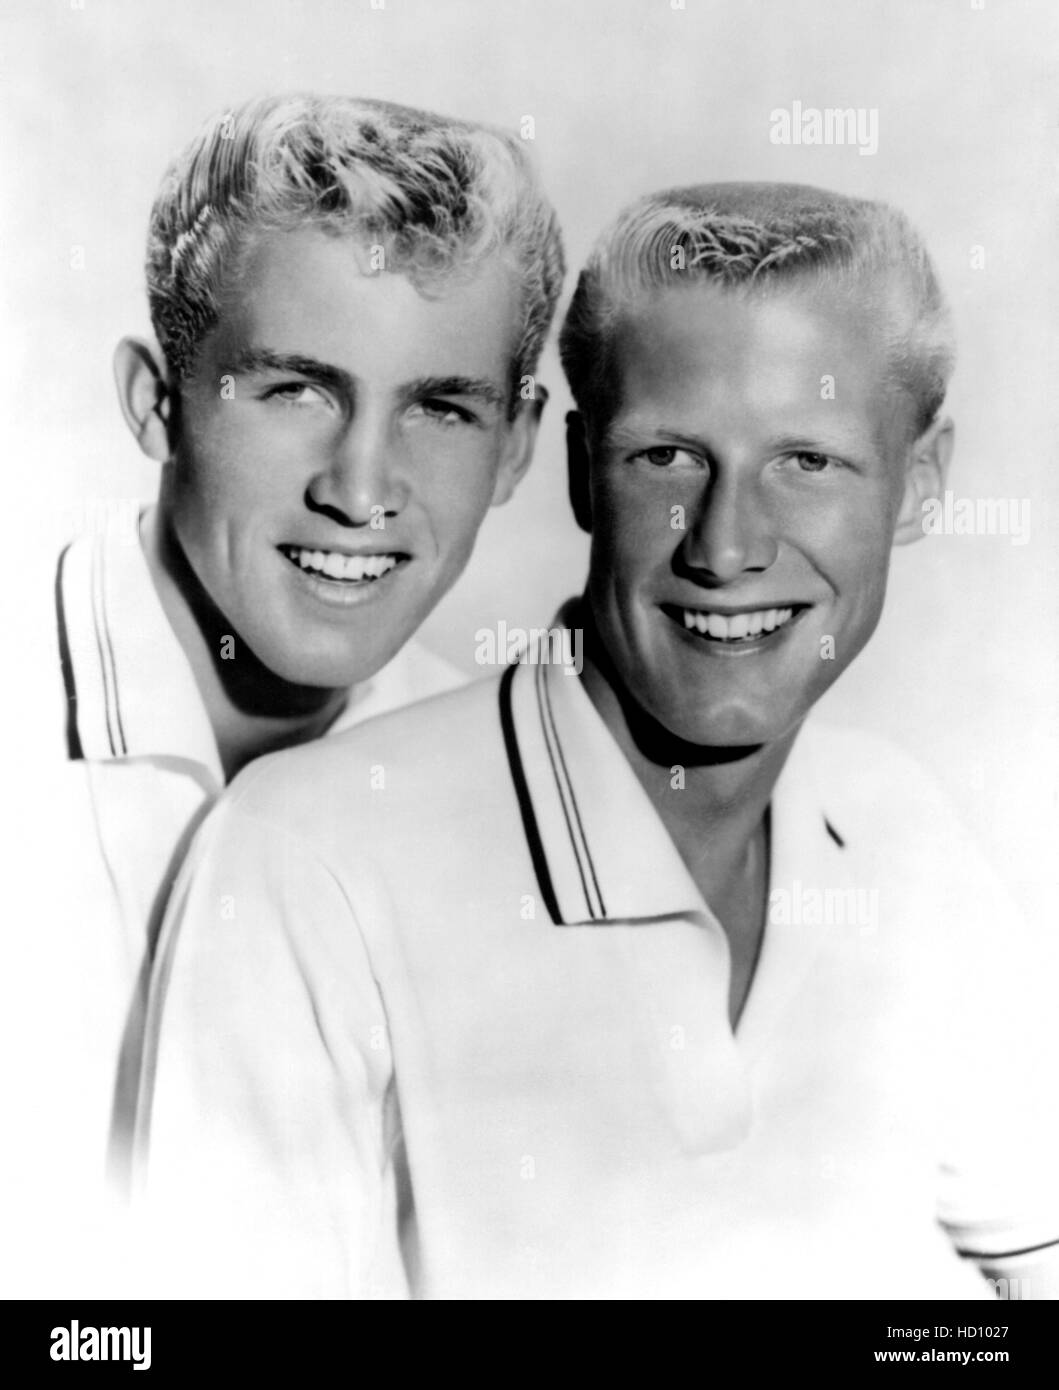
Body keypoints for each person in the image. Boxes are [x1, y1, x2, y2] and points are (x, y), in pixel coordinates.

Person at [137, 183, 1058, 1299]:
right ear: (580, 471)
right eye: (667, 457)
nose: (726, 546)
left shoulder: (902, 833)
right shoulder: (307, 859)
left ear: (921, 484)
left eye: (806, 462)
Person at [2, 92, 563, 1295]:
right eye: (295, 391)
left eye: (440, 406)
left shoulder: (507, 816)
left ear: (517, 444)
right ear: (157, 403)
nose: (363, 491)